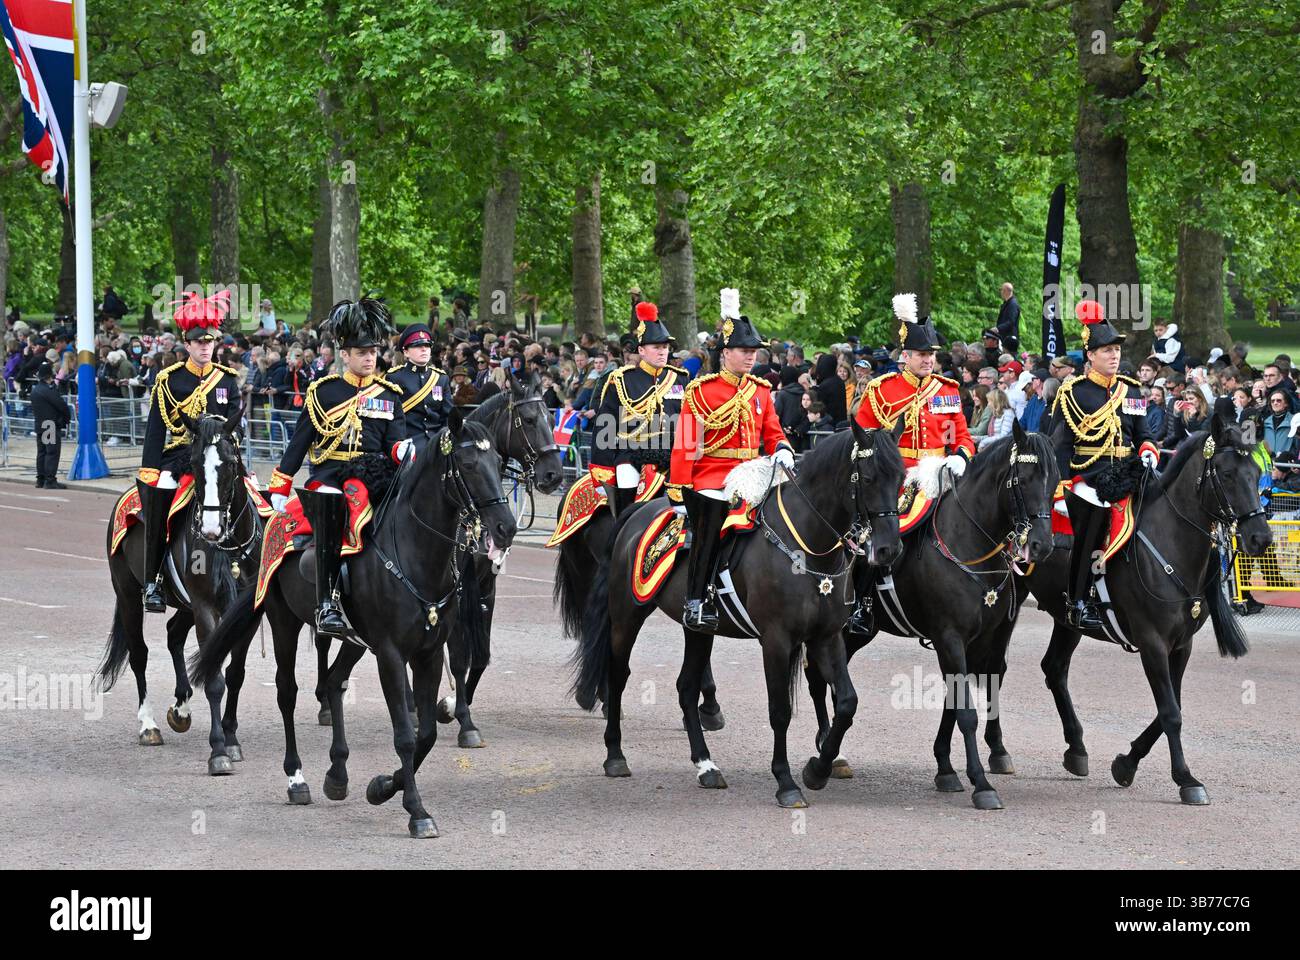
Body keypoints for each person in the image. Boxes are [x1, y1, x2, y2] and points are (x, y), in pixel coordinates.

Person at [266, 299, 410, 640]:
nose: (370, 358)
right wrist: (279, 485)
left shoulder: (389, 394)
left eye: (373, 351)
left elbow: (393, 441)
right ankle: (327, 602)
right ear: (344, 354)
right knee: (332, 508)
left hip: (376, 477)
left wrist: (401, 449)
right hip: (331, 476)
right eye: (361, 352)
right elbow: (300, 444)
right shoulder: (324, 392)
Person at [668, 290, 794, 632]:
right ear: (725, 354)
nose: (751, 357)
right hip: (711, 477)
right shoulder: (701, 391)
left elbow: (773, 432)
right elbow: (686, 445)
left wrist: (782, 447)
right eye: (744, 351)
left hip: (752, 474)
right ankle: (696, 600)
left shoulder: (761, 391)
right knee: (709, 524)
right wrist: (680, 490)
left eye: (754, 352)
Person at [1051, 299, 1159, 629]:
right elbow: (1060, 448)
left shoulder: (1132, 391)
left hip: (1129, 472)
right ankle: (1078, 599)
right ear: (1091, 356)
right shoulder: (1073, 393)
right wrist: (1060, 490)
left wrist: (1149, 451)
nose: (1114, 355)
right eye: (1106, 350)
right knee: (1093, 525)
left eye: (1116, 350)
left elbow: (1144, 434)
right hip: (1088, 481)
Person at [136, 291, 242, 612]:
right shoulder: (170, 380)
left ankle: (255, 568)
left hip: (219, 458)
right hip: (181, 457)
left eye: (210, 342)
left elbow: (235, 425)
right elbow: (157, 429)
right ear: (187, 342)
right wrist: (150, 471)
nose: (205, 347)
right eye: (199, 342)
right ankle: (153, 580)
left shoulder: (227, 380)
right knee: (161, 500)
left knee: (254, 502)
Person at [587, 301, 689, 517]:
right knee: (627, 490)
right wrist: (602, 470)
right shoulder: (622, 380)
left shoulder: (679, 379)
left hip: (673, 456)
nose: (663, 352)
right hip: (633, 454)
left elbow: (689, 423)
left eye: (665, 347)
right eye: (657, 347)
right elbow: (605, 427)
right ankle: (621, 534)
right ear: (642, 350)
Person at [386, 323, 453, 450]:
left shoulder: (440, 378)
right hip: (408, 443)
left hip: (437, 442)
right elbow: (392, 420)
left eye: (427, 346)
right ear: (406, 352)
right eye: (418, 346)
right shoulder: (395, 377)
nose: (424, 349)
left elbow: (448, 416)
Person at [31, 361, 71, 488]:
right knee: (52, 453)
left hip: (41, 424)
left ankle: (41, 479)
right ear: (49, 375)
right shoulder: (48, 390)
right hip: (50, 425)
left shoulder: (36, 389)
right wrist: (66, 418)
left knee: (42, 452)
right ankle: (50, 480)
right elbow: (61, 405)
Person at [996, 282, 1020, 355]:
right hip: (1005, 337)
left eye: (1002, 290)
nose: (1001, 292)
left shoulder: (1012, 304)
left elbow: (1011, 322)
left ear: (1007, 291)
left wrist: (998, 328)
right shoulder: (1007, 304)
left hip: (1009, 338)